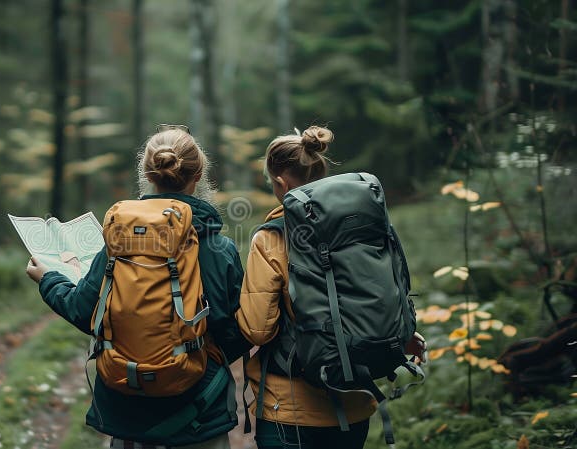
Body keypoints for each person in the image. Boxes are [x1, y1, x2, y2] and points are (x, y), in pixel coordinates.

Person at [26, 125, 250, 449]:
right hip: (199, 414)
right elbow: (235, 332)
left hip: (127, 412)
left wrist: (49, 279)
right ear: (198, 175)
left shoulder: (119, 243)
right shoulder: (218, 248)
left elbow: (83, 311)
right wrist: (190, 358)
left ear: (147, 173)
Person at [235, 125, 427, 449]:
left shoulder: (271, 237)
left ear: (280, 183)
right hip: (354, 402)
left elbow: (257, 330)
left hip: (289, 409)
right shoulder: (364, 225)